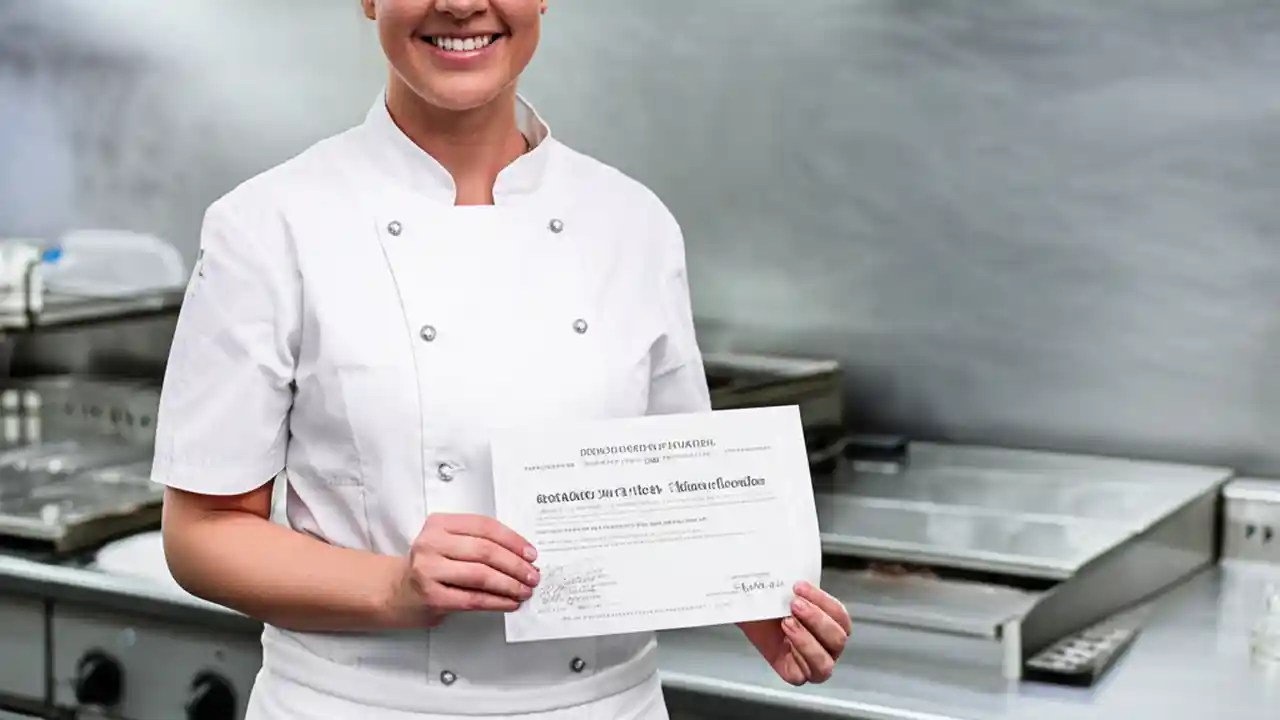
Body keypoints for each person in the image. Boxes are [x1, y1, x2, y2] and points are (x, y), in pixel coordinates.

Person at [152, 1, 851, 718]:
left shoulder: (633, 223)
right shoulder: (269, 224)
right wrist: (392, 588)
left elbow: (676, 500)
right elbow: (201, 532)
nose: (460, 3)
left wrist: (762, 605)